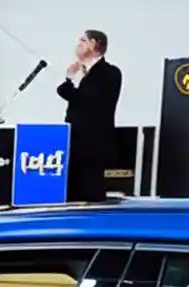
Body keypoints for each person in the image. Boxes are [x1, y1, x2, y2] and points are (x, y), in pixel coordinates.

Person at [57, 29, 122, 202]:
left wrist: (73, 79)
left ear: (94, 44)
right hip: (75, 138)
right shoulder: (81, 72)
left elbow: (87, 98)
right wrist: (70, 79)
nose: (78, 44)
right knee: (72, 191)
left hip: (94, 141)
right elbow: (65, 92)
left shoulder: (109, 72)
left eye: (83, 40)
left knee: (90, 191)